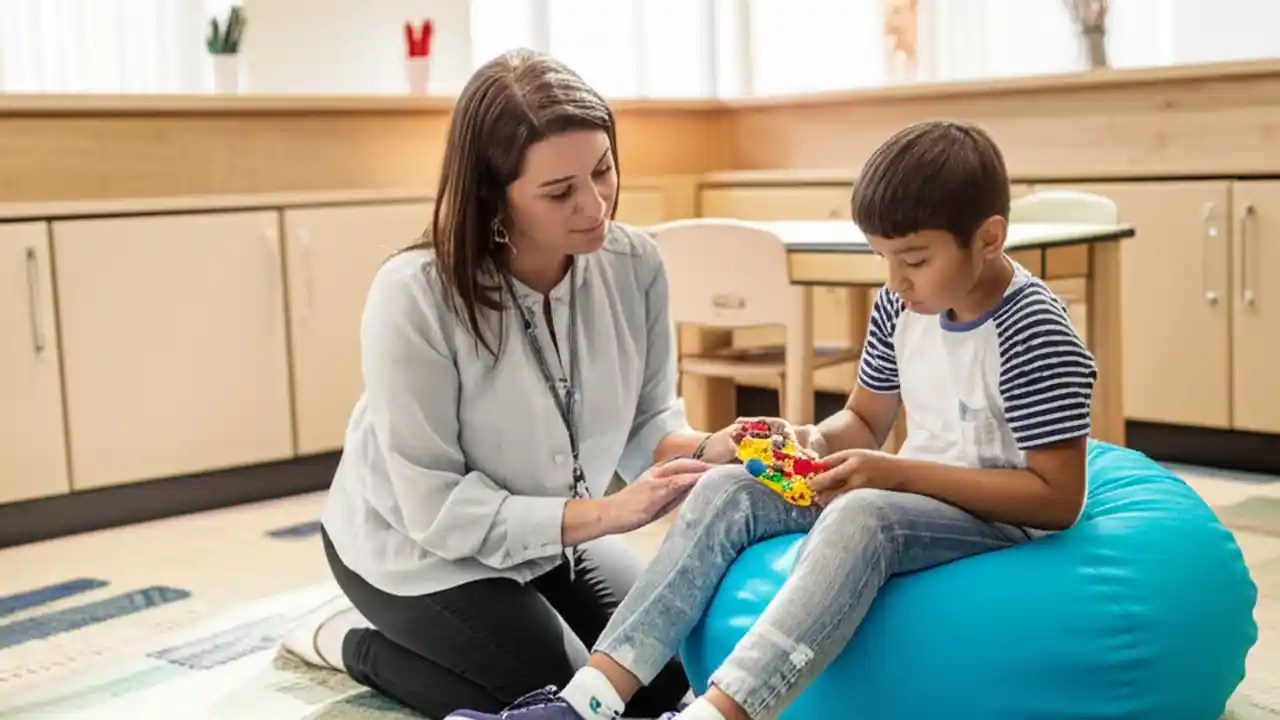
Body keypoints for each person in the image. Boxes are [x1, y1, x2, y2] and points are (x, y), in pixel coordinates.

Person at [446, 119, 1098, 720]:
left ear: (988, 238)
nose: (895, 280)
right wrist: (810, 440)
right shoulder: (901, 307)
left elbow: (1057, 498)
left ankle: (719, 713)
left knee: (862, 512)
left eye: (916, 260)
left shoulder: (1033, 332)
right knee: (727, 486)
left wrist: (896, 476)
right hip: (904, 486)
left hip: (997, 521)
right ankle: (587, 701)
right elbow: (864, 420)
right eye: (883, 259)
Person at [280, 48, 746, 719]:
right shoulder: (413, 296)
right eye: (560, 192)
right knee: (570, 703)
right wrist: (613, 513)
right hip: (417, 550)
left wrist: (717, 449)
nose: (595, 206)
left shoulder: (635, 262)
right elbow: (435, 507)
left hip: (555, 533)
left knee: (664, 681)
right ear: (491, 198)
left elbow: (649, 425)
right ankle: (355, 645)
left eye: (604, 170)